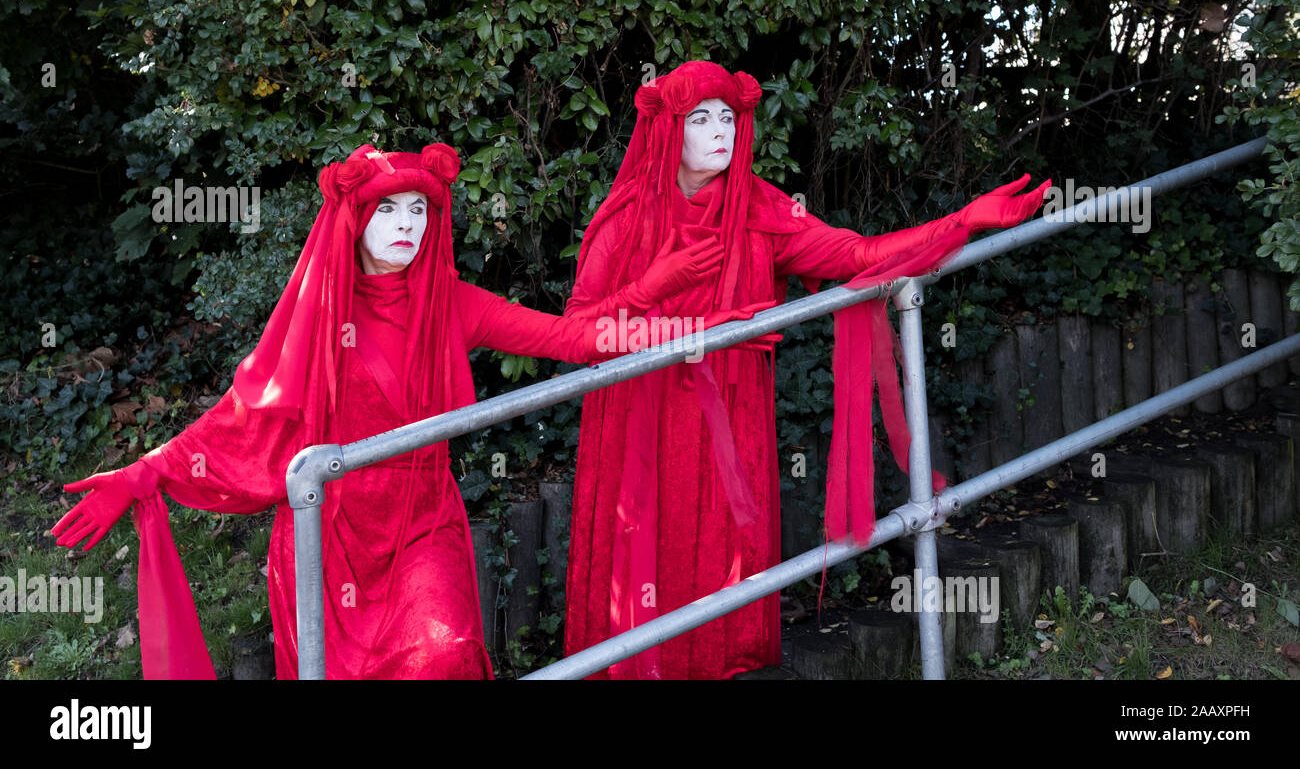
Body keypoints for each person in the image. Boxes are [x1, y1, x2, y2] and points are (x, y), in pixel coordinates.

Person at [52, 143, 748, 679]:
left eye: (420, 210)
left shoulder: (452, 300)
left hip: (422, 523)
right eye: (389, 209)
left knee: (442, 653)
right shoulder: (319, 315)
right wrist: (147, 472)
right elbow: (246, 415)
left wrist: (684, 321)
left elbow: (571, 338)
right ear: (353, 217)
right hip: (331, 536)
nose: (407, 224)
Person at [562, 60, 1050, 679]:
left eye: (731, 118)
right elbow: (580, 333)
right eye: (701, 118)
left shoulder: (762, 210)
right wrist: (674, 314)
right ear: (668, 130)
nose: (723, 130)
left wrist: (962, 223)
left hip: (729, 422)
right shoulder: (625, 220)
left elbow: (855, 255)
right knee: (642, 563)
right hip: (639, 421)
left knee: (721, 562)